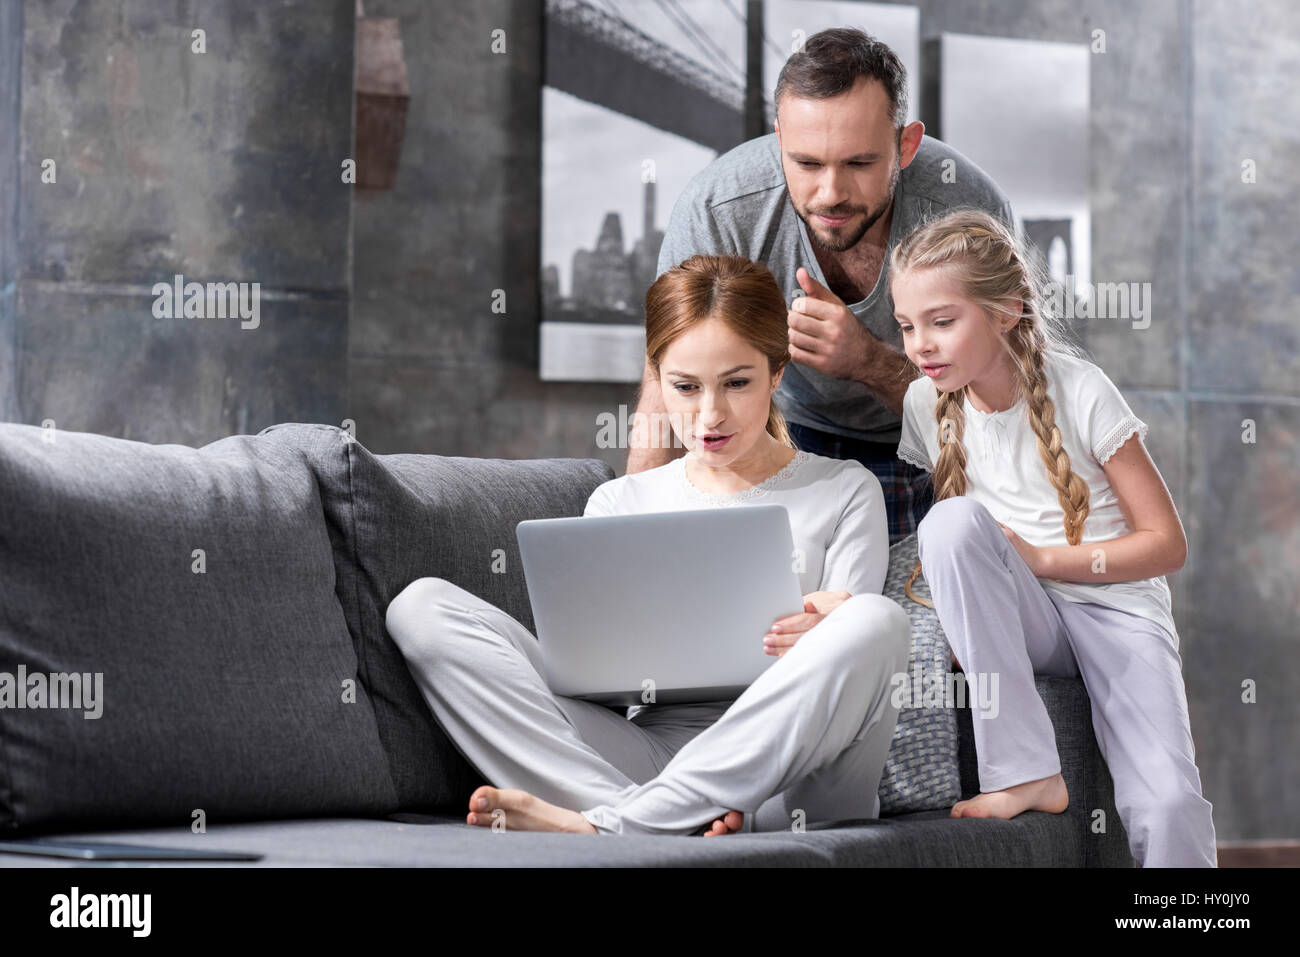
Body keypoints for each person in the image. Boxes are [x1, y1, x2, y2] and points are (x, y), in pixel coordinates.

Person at [385, 254, 910, 836]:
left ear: (778, 372)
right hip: (645, 758)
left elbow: (854, 677)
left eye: (737, 383)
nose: (710, 415)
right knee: (421, 607)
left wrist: (828, 630)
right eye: (685, 387)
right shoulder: (619, 502)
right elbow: (593, 692)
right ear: (658, 378)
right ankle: (655, 820)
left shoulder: (843, 489)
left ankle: (614, 827)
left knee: (875, 619)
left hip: (792, 784)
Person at [889, 208, 1217, 867]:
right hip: (1030, 615)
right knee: (946, 522)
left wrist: (1043, 558)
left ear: (1007, 310)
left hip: (1115, 610)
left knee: (1167, 803)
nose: (919, 343)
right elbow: (963, 553)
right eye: (905, 325)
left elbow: (1166, 543)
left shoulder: (1084, 390)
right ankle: (1024, 769)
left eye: (942, 321)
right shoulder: (924, 405)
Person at [628, 27, 1014, 545]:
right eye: (807, 163)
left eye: (859, 163)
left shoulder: (966, 213)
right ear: (779, 140)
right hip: (785, 440)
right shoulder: (719, 210)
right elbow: (665, 376)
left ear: (906, 145)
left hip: (949, 449)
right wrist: (630, 531)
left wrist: (868, 362)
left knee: (928, 617)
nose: (830, 194)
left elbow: (1003, 409)